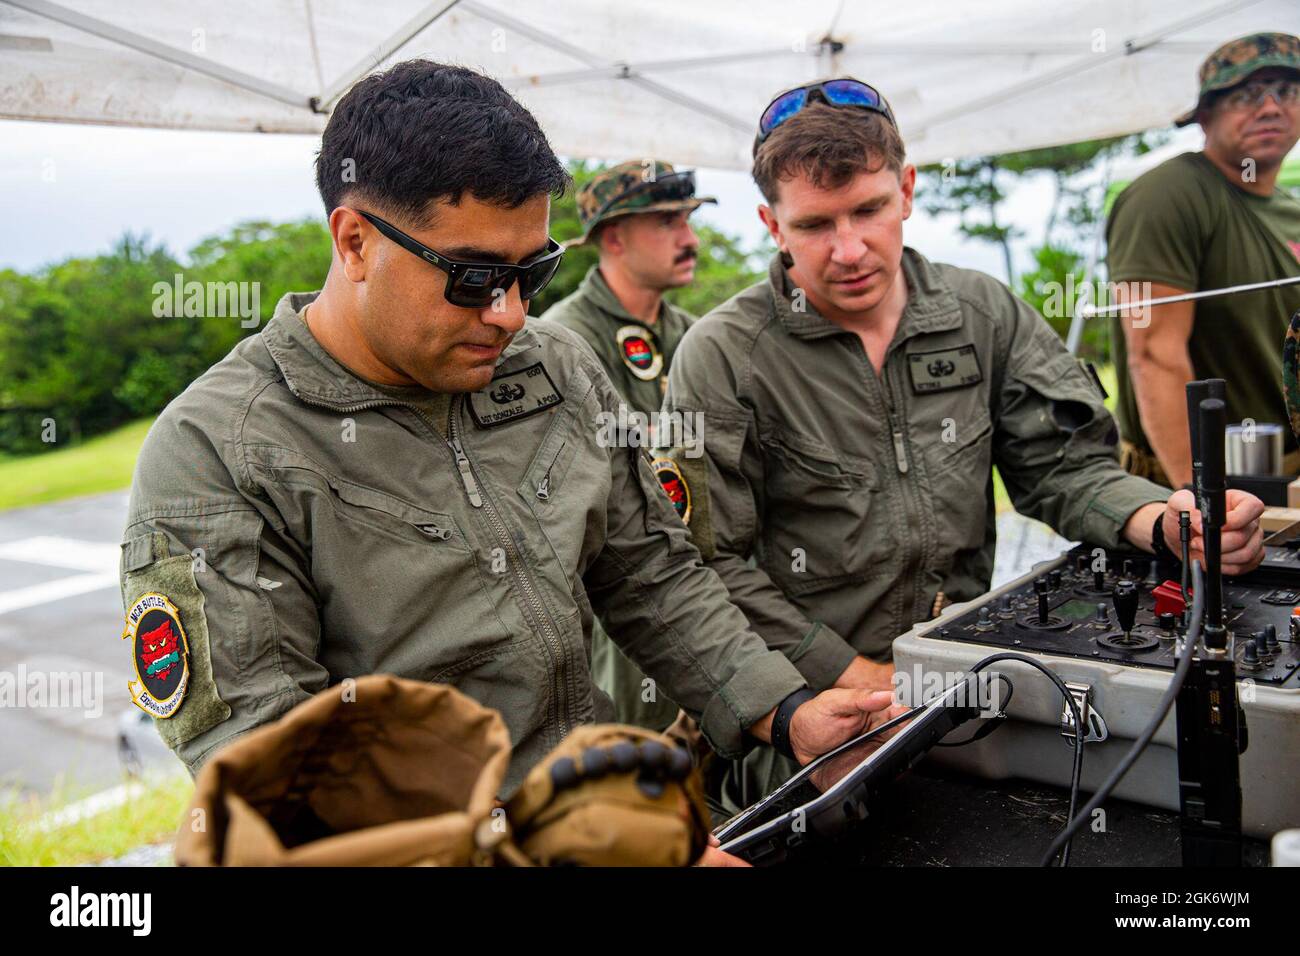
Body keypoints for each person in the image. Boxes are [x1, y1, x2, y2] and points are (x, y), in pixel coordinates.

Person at [117, 62, 902, 864]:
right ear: (355, 241)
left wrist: (785, 710)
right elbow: (284, 776)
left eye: (532, 273)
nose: (510, 313)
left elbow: (653, 576)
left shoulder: (552, 367)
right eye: (477, 278)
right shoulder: (218, 454)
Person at [660, 77, 1268, 809]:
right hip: (807, 714)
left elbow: (1064, 469)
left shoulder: (981, 312)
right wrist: (860, 675)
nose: (849, 249)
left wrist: (1164, 522)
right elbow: (707, 565)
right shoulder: (724, 355)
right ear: (771, 223)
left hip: (968, 691)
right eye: (816, 224)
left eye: (870, 210)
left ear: (908, 189)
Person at [542, 159, 713, 731]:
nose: (688, 238)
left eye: (687, 219)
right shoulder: (564, 340)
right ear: (613, 237)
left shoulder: (690, 334)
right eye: (666, 222)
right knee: (647, 763)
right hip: (625, 602)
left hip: (704, 589)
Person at [1107, 32, 1300, 488]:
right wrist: (1202, 504)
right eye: (1248, 94)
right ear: (1206, 114)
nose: (1271, 107)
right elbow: (1154, 355)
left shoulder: (1291, 210)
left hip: (1285, 476)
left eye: (1288, 91)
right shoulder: (1169, 195)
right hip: (1197, 482)